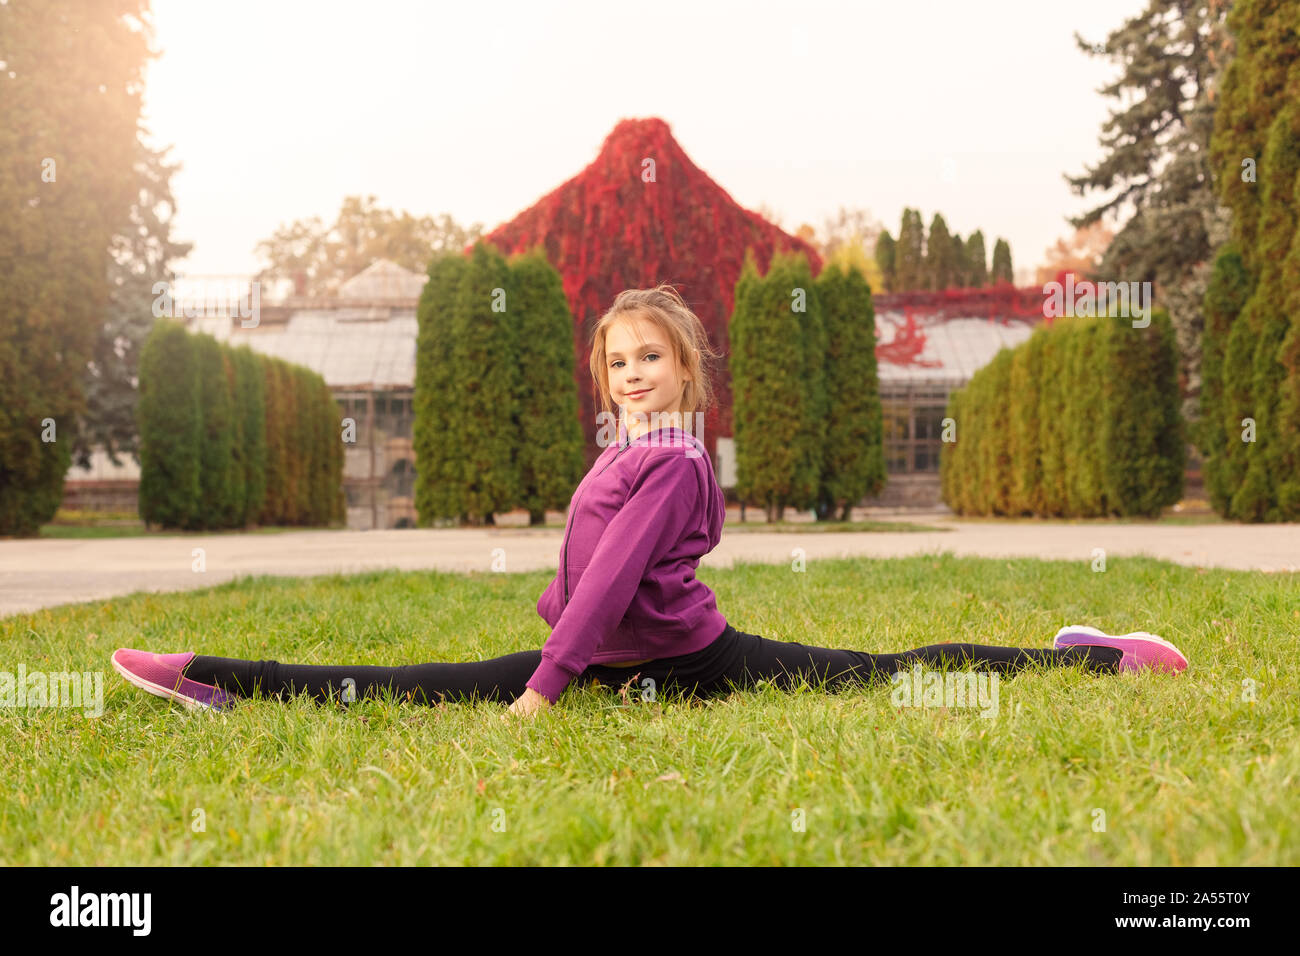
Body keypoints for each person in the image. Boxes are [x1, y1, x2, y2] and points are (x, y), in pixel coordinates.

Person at [110, 284, 1188, 718]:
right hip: (622, 663)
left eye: (651, 357)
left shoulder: (670, 461)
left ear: (684, 369)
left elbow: (620, 577)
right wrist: (555, 614)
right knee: (419, 683)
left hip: (685, 657)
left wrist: (547, 684)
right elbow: (589, 565)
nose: (631, 372)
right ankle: (214, 679)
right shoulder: (625, 451)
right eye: (617, 358)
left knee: (894, 676)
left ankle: (1100, 654)